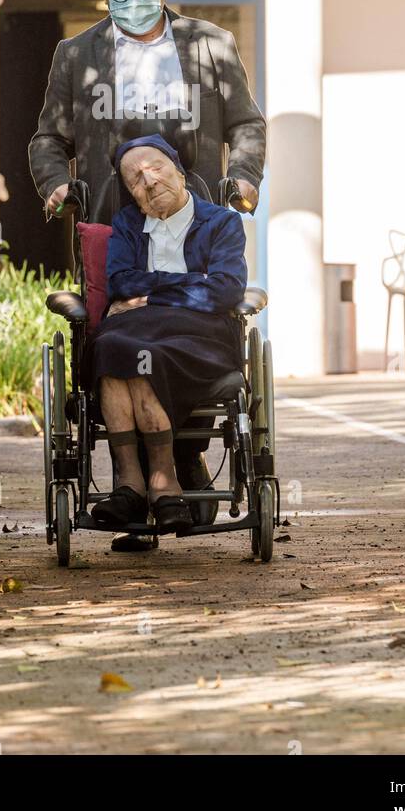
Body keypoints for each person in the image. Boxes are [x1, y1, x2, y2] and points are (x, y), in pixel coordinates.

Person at [29, 0, 265, 520]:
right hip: (114, 223)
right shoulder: (76, 55)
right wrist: (56, 182)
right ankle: (133, 484)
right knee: (125, 337)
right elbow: (48, 138)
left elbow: (246, 123)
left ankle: (188, 461)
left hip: (195, 214)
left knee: (193, 329)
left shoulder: (210, 45)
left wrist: (243, 175)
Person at [87, 134, 247, 534]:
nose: (149, 181)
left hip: (200, 334)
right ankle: (132, 482)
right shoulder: (127, 224)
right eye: (135, 179)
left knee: (140, 356)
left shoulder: (222, 222)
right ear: (131, 195)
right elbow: (121, 283)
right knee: (108, 347)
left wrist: (154, 291)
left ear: (179, 170)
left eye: (155, 168)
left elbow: (227, 289)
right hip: (132, 325)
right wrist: (193, 283)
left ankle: (161, 479)